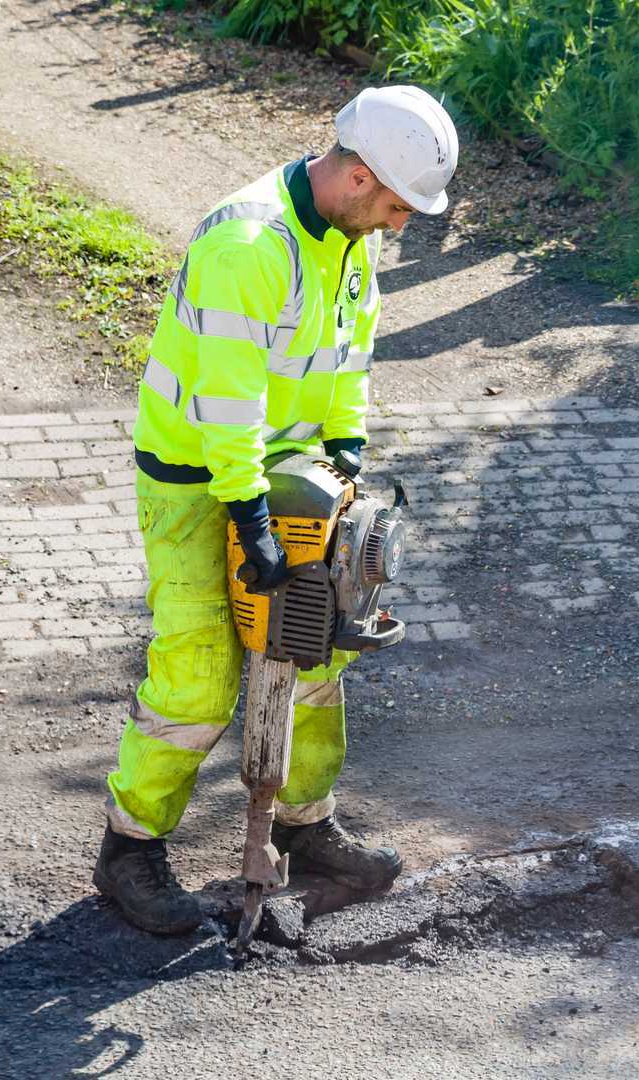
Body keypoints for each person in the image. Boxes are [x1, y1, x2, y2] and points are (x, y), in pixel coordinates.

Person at [92, 86, 458, 935]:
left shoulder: (349, 241)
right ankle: (130, 850)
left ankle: (306, 823)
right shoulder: (250, 243)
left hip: (295, 474)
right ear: (361, 177)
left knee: (317, 647)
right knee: (199, 673)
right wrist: (251, 517)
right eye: (398, 206)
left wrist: (347, 452)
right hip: (196, 478)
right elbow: (226, 398)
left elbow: (347, 361)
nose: (401, 225)